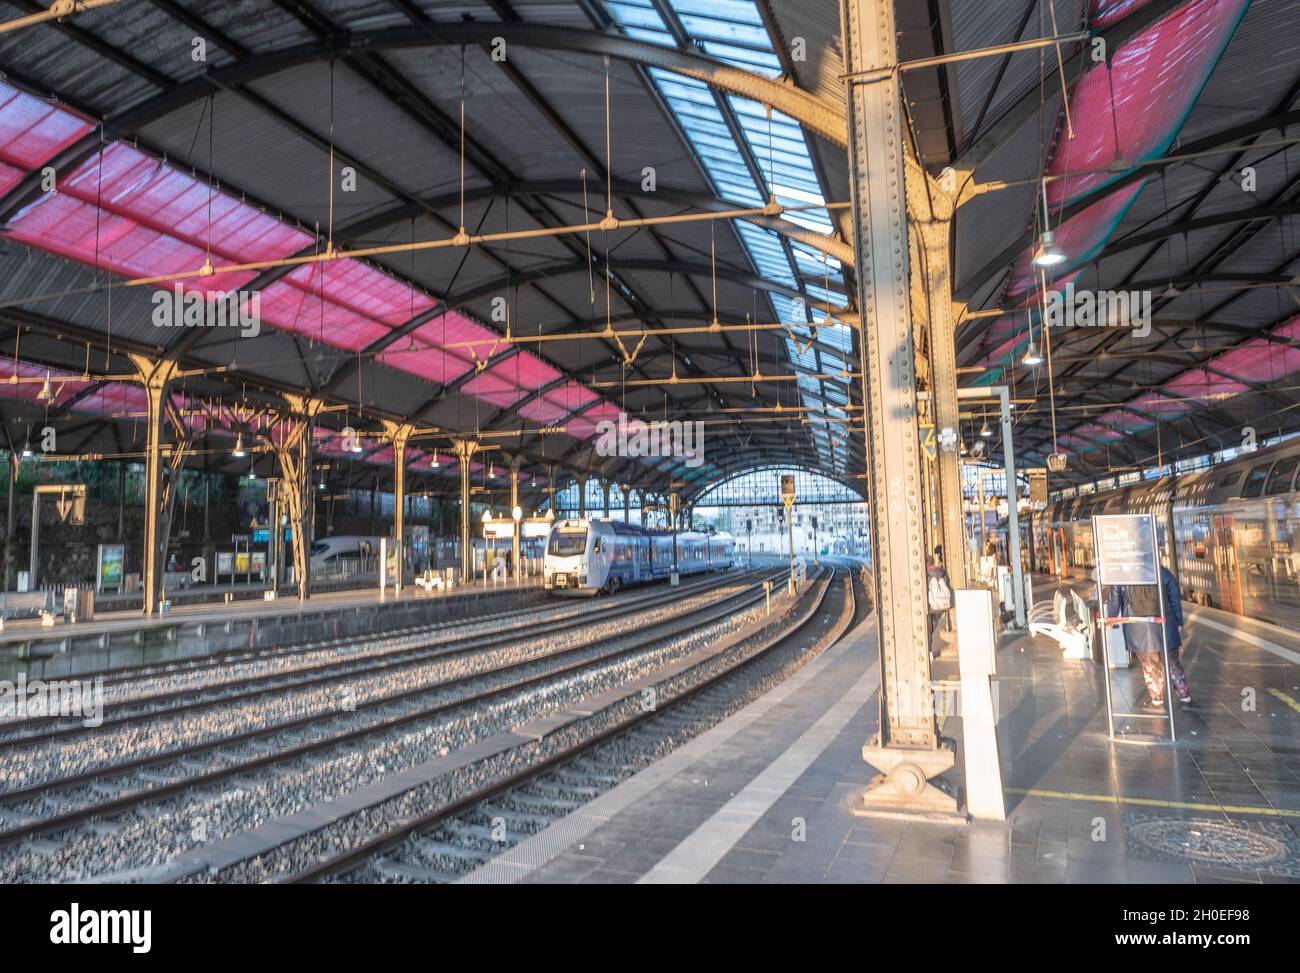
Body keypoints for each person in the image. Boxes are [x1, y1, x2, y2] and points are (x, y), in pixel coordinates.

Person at [1105, 565, 1192, 710]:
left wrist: (1111, 619)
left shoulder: (1123, 575)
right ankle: (1185, 697)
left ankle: (1157, 700)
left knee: (1150, 666)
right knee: (1173, 663)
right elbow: (1174, 597)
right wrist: (1178, 622)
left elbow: (1114, 598)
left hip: (1138, 630)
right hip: (1166, 626)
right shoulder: (1162, 572)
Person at [926, 545, 953, 647]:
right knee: (933, 622)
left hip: (931, 605)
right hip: (940, 605)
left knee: (928, 626)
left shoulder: (926, 574)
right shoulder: (940, 571)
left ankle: (929, 647)